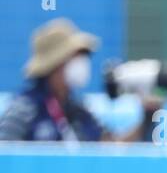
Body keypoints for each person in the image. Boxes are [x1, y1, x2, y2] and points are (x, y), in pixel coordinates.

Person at [0, 18, 158, 143]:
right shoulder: (25, 108)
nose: (81, 63)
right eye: (74, 58)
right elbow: (5, 152)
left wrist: (147, 117)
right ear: (55, 65)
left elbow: (110, 147)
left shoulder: (78, 110)